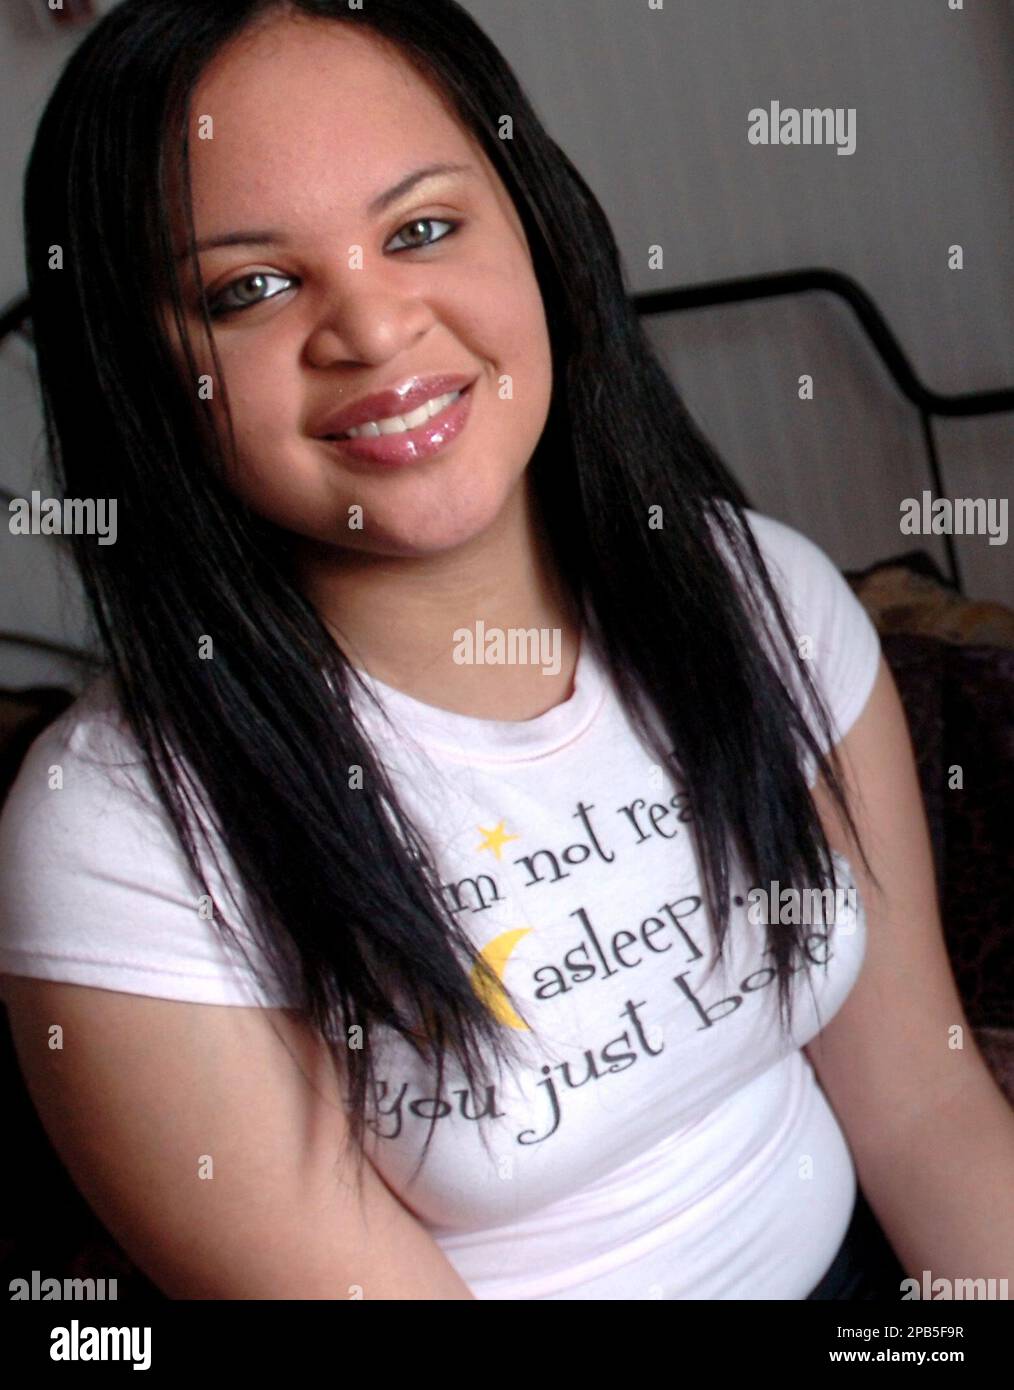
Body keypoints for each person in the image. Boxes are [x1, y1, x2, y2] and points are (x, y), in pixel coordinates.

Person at [1, 0, 1011, 1302]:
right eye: (247, 287)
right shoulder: (117, 837)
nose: (369, 328)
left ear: (537, 226)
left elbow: (922, 1110)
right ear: (142, 373)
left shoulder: (760, 595)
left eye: (421, 228)